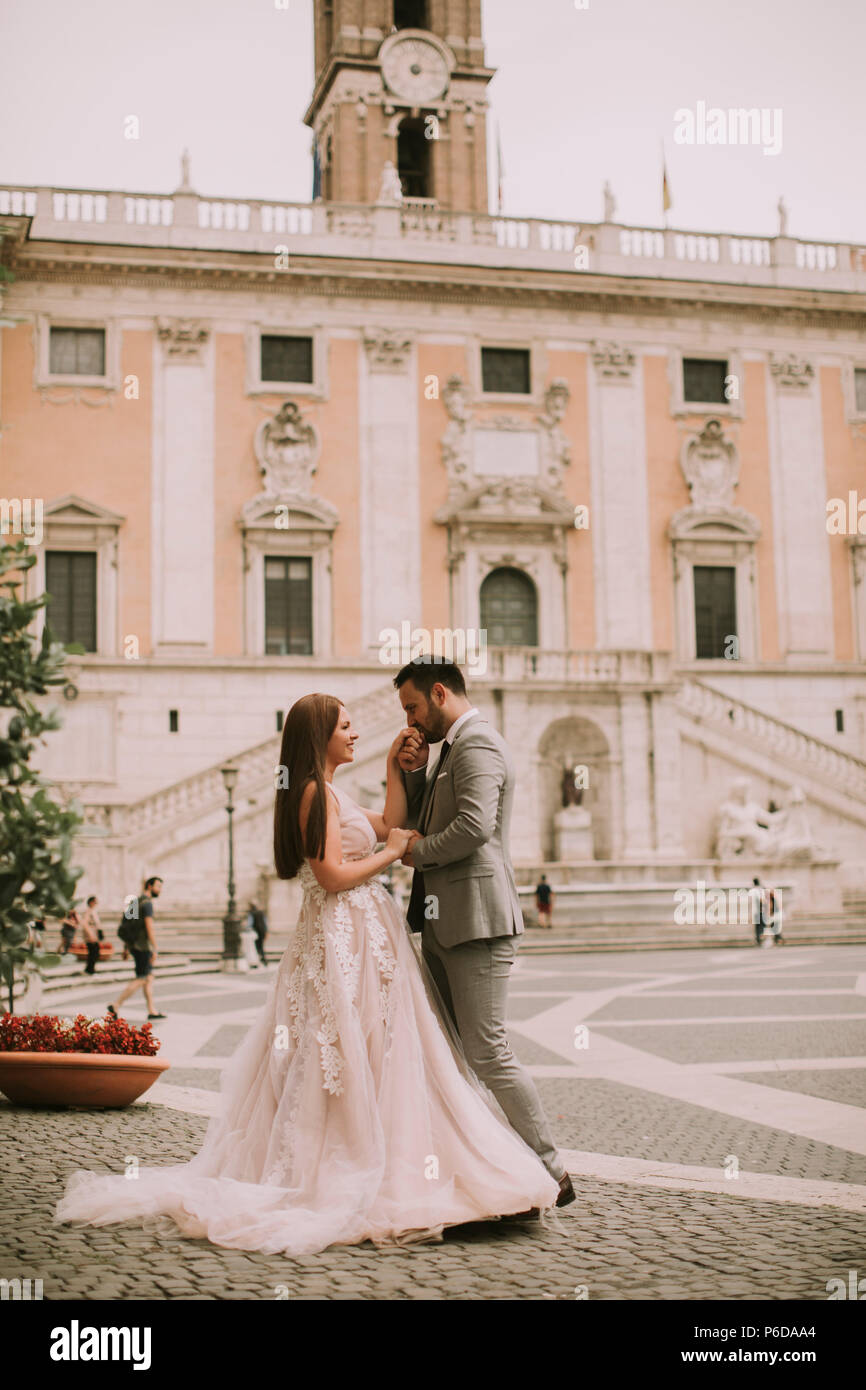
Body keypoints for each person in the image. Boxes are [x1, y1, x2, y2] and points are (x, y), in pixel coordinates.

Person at [54, 693, 561, 1256]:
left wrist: (395, 767)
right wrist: (393, 855)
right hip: (342, 934)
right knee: (340, 1046)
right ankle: (348, 1161)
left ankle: (393, 1151)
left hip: (366, 937)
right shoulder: (312, 794)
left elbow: (391, 823)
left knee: (376, 1047)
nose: (355, 734)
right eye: (346, 727)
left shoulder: (332, 790)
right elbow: (334, 874)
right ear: (320, 734)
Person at [395, 658, 574, 1215]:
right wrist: (412, 772)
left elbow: (474, 827)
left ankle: (552, 1171)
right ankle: (475, 1167)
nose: (410, 719)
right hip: (445, 917)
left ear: (440, 693)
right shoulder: (449, 748)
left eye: (413, 707)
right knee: (450, 1053)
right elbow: (436, 812)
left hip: (477, 918)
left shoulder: (477, 745)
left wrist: (411, 852)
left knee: (487, 1049)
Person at [106, 877, 166, 1021]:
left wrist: (126, 947)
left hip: (133, 945)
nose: (160, 889)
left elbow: (127, 926)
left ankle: (152, 1010)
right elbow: (149, 927)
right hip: (143, 946)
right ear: (149, 886)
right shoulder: (147, 904)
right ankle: (116, 1004)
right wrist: (155, 948)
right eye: (158, 886)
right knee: (142, 978)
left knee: (148, 978)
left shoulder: (135, 902)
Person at [81, 896, 101, 975]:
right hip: (91, 935)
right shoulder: (88, 912)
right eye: (95, 902)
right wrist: (90, 934)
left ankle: (90, 969)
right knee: (93, 952)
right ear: (90, 902)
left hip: (94, 934)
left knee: (94, 952)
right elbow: (85, 924)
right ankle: (90, 970)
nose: (96, 904)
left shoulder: (93, 911)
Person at [246, 901, 268, 967]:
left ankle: (260, 961)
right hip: (262, 931)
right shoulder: (261, 913)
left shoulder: (251, 914)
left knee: (256, 947)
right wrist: (266, 931)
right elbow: (265, 922)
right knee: (260, 947)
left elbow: (250, 924)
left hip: (256, 933)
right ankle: (263, 960)